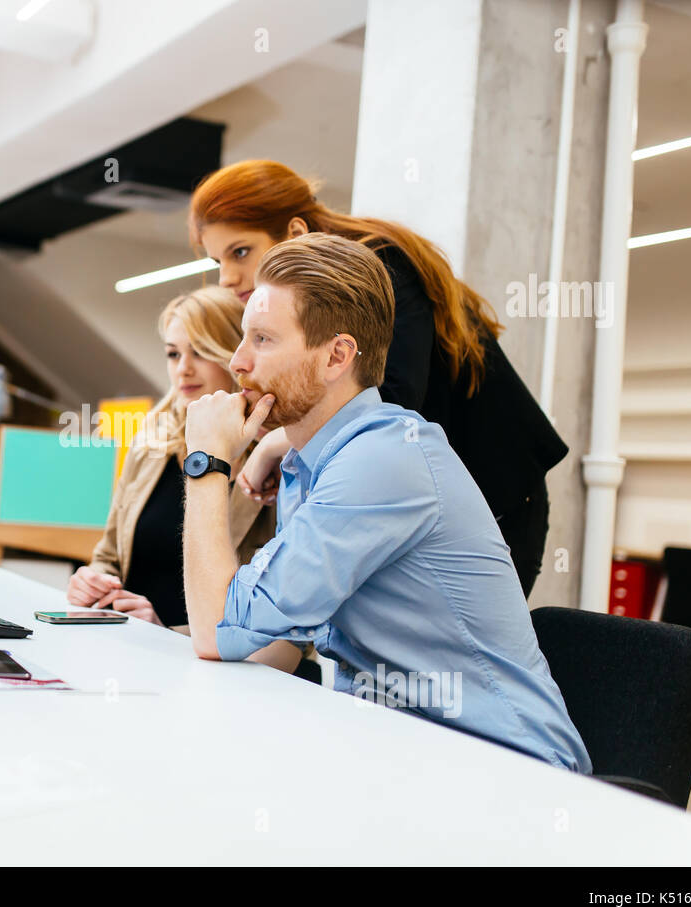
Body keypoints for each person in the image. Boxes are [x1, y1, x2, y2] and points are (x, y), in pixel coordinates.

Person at [181, 233, 590, 772]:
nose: (238, 362)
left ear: (337, 356)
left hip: (507, 768)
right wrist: (172, 637)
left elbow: (219, 632)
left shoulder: (382, 459)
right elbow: (272, 637)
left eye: (262, 340)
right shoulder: (313, 465)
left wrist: (208, 462)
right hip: (397, 747)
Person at [189, 160, 566, 597]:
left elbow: (391, 397)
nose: (225, 277)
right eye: (218, 260)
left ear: (294, 232)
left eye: (240, 252)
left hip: (498, 492)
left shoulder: (376, 268)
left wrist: (278, 443)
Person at [66, 287, 322, 681]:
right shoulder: (151, 445)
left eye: (199, 351)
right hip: (129, 662)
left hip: (233, 682)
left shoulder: (280, 465)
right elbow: (108, 557)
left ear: (234, 355)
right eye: (173, 353)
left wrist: (165, 634)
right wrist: (92, 584)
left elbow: (285, 632)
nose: (182, 369)